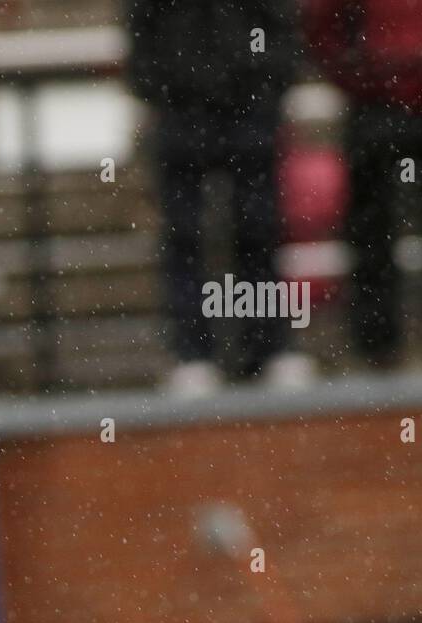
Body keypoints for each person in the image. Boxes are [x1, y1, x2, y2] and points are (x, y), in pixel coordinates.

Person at [126, 0, 317, 395]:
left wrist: (267, 82)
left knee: (258, 231)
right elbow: (141, 29)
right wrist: (164, 86)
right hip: (182, 109)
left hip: (249, 107)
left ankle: (267, 346)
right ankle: (193, 353)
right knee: (184, 238)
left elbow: (279, 25)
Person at [305, 0, 422, 368]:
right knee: (372, 231)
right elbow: (322, 26)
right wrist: (362, 75)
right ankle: (378, 346)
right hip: (375, 105)